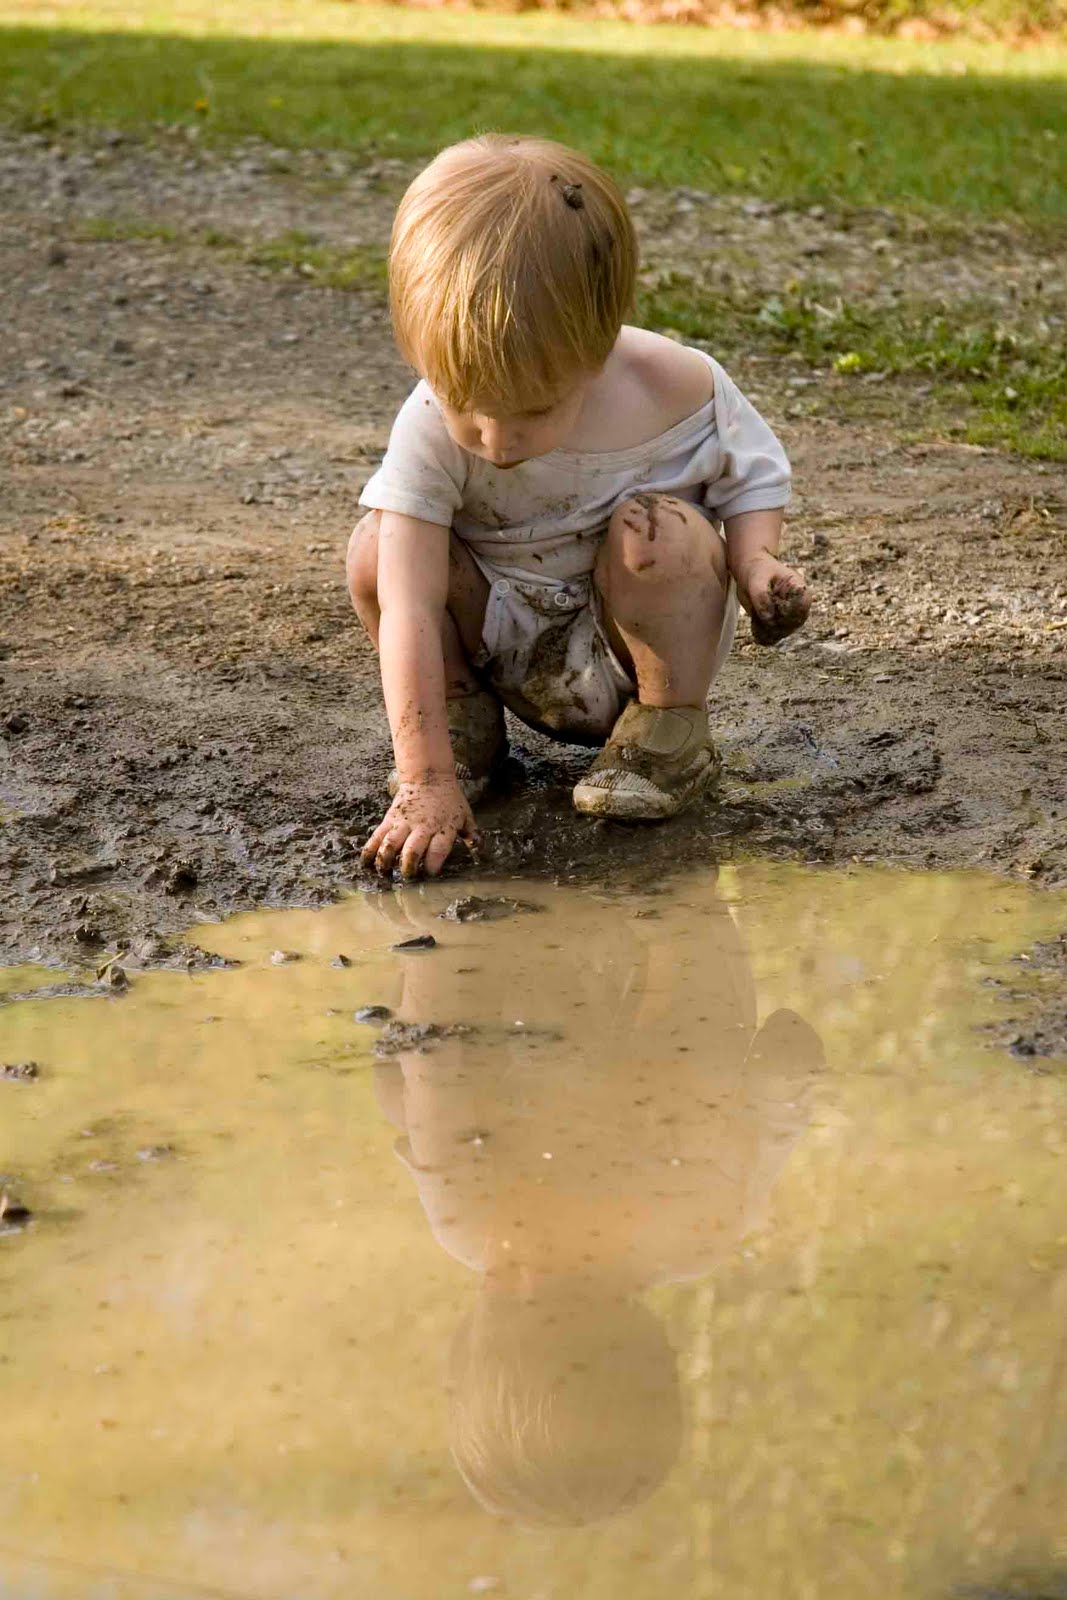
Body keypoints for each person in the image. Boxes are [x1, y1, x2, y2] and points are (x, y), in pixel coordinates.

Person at [348, 134, 810, 879]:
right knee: (378, 549)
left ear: (597, 350)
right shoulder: (426, 423)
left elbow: (751, 476)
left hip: (633, 644)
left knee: (658, 531)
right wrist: (422, 777)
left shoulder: (674, 386)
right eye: (465, 404)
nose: (496, 441)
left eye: (533, 410)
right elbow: (408, 604)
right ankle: (460, 729)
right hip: (499, 639)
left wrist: (756, 561)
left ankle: (665, 737)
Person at [370, 877, 824, 1525]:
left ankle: (675, 897)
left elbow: (788, 1070)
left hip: (648, 929)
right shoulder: (477, 1226)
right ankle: (660, 899)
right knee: (404, 1096)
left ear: (658, 1352)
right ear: (472, 1340)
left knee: (416, 1098)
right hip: (519, 943)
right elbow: (427, 1051)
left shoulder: (703, 1231)